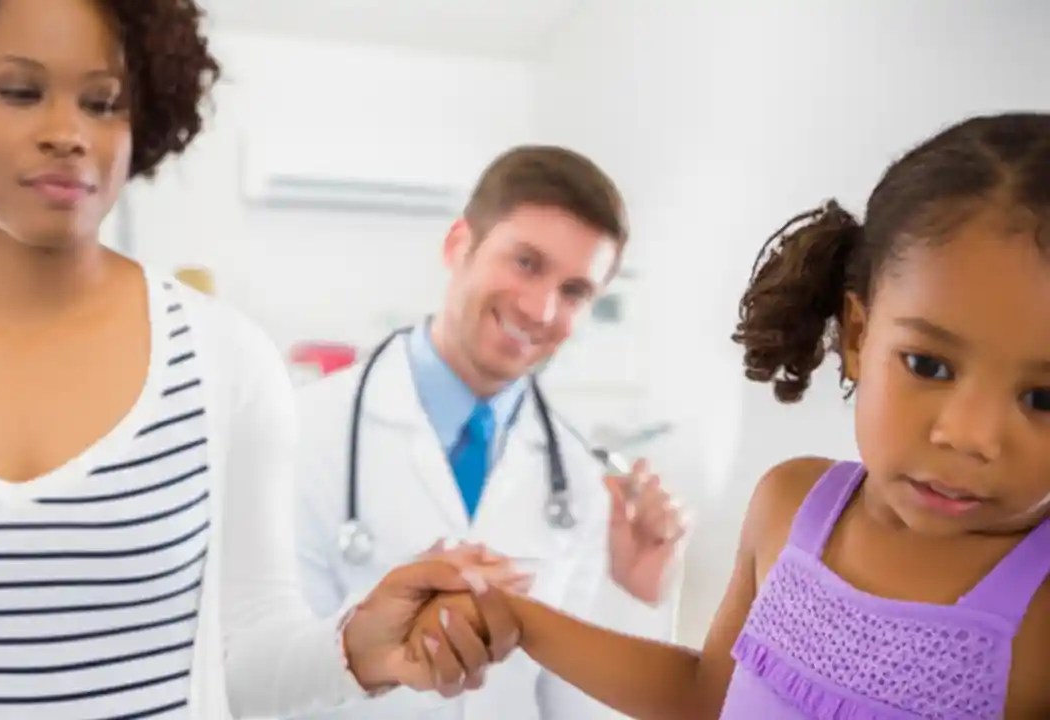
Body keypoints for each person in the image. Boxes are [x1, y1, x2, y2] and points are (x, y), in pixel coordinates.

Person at [0, 1, 522, 718]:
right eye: (22, 91)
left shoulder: (227, 363)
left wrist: (358, 647)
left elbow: (248, 654)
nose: (67, 132)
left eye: (102, 103)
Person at [415, 114, 1050, 719]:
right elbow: (705, 696)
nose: (970, 436)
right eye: (929, 366)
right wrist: (522, 619)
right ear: (857, 337)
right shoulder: (791, 503)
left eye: (1042, 399)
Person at [290, 146, 687, 719]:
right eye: (526, 262)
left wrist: (635, 596)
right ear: (458, 245)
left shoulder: (578, 479)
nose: (542, 309)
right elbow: (266, 680)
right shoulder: (310, 430)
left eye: (575, 291)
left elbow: (577, 711)